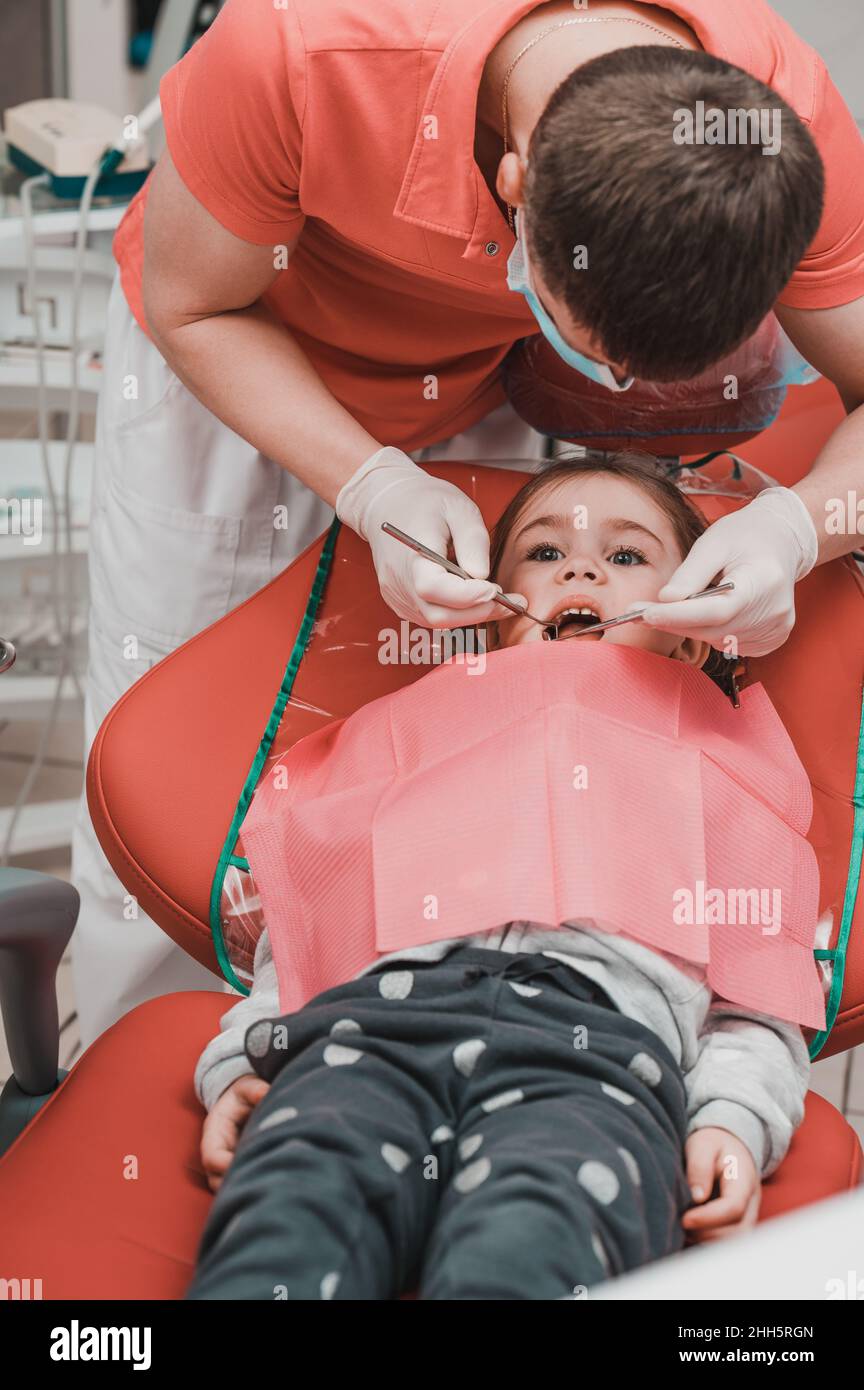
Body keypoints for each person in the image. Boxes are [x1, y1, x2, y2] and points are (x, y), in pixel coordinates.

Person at [72, 0, 864, 1046]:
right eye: (606, 355)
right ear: (515, 188)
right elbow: (196, 306)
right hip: (237, 348)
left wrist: (803, 527)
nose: (619, 385)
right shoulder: (296, 53)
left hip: (474, 381)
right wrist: (371, 484)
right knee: (191, 745)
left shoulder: (774, 119)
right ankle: (157, 1067)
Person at [185, 455, 815, 1300]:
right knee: (292, 1217)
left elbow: (760, 1007)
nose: (583, 567)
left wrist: (733, 1122)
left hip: (599, 1068)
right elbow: (306, 942)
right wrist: (242, 1061)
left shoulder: (727, 776)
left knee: (530, 1247)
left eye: (627, 557)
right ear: (485, 614)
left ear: (695, 627)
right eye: (545, 554)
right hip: (364, 1039)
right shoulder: (405, 741)